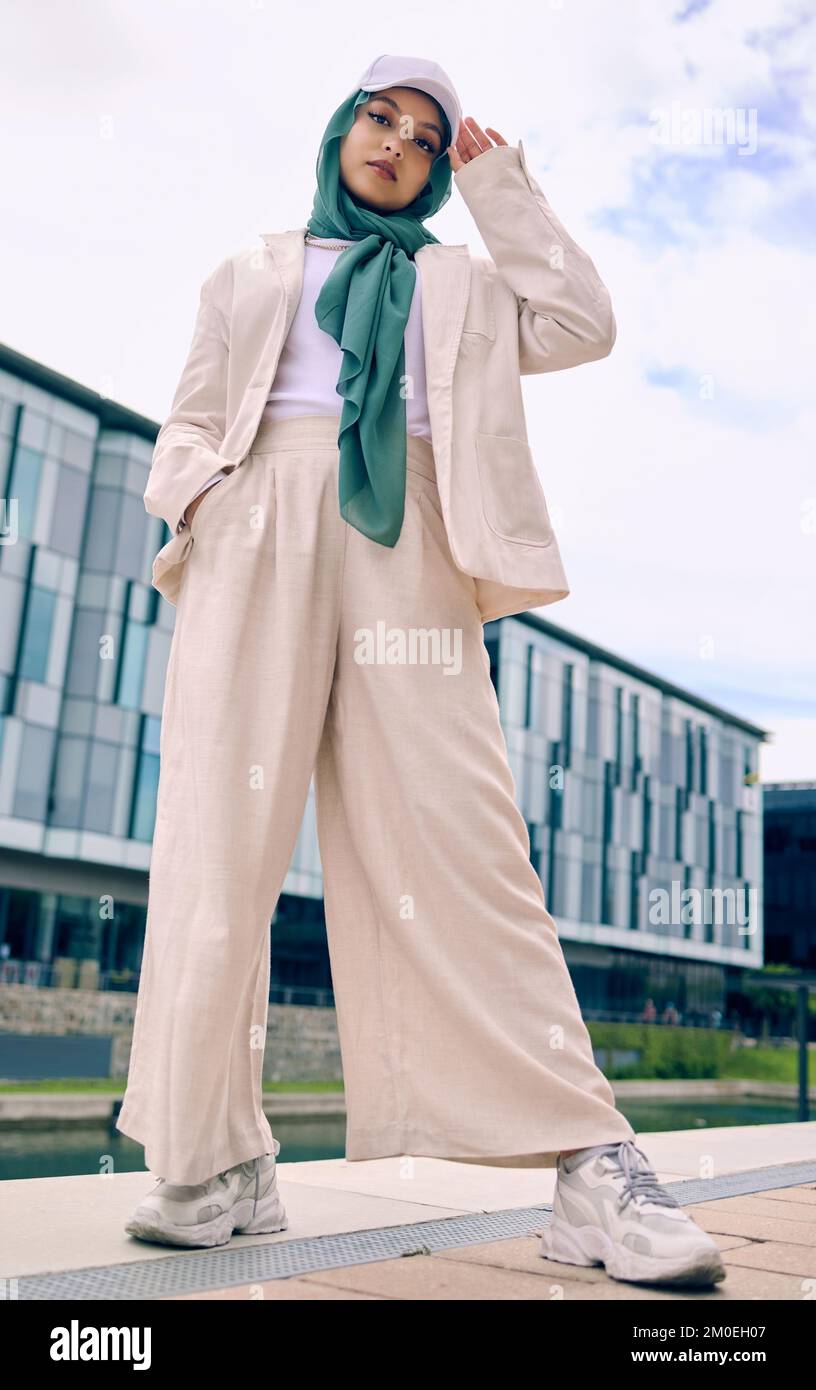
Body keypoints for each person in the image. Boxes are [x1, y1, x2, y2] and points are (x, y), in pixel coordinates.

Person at [117, 54, 725, 1289]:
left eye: (426, 135)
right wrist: (207, 495)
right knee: (213, 848)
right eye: (379, 117)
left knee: (467, 840)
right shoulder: (250, 269)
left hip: (414, 543)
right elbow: (185, 418)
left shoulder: (465, 282)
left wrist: (501, 187)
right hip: (256, 534)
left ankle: (589, 1161)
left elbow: (583, 324)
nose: (396, 141)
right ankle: (210, 1161)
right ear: (343, 127)